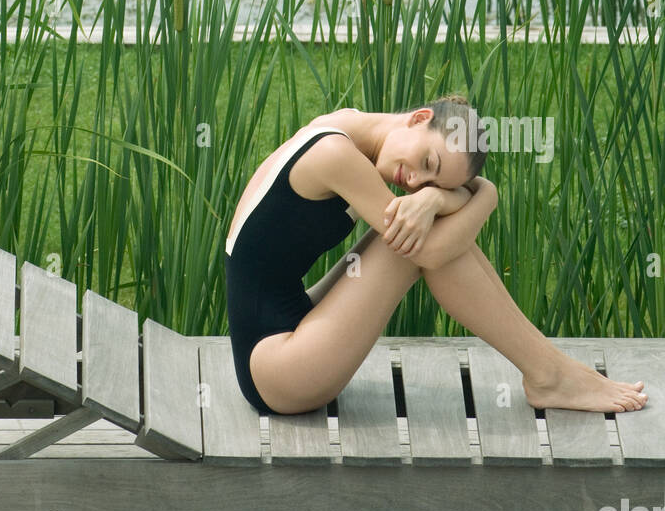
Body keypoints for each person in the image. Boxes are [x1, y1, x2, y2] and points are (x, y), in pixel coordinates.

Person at [224, 95, 648, 416]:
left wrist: (434, 202)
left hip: (290, 329)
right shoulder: (337, 155)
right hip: (277, 371)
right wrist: (485, 194)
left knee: (413, 233)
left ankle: (550, 370)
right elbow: (432, 253)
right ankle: (549, 374)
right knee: (414, 247)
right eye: (427, 160)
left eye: (431, 182)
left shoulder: (350, 128)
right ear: (420, 117)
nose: (415, 181)